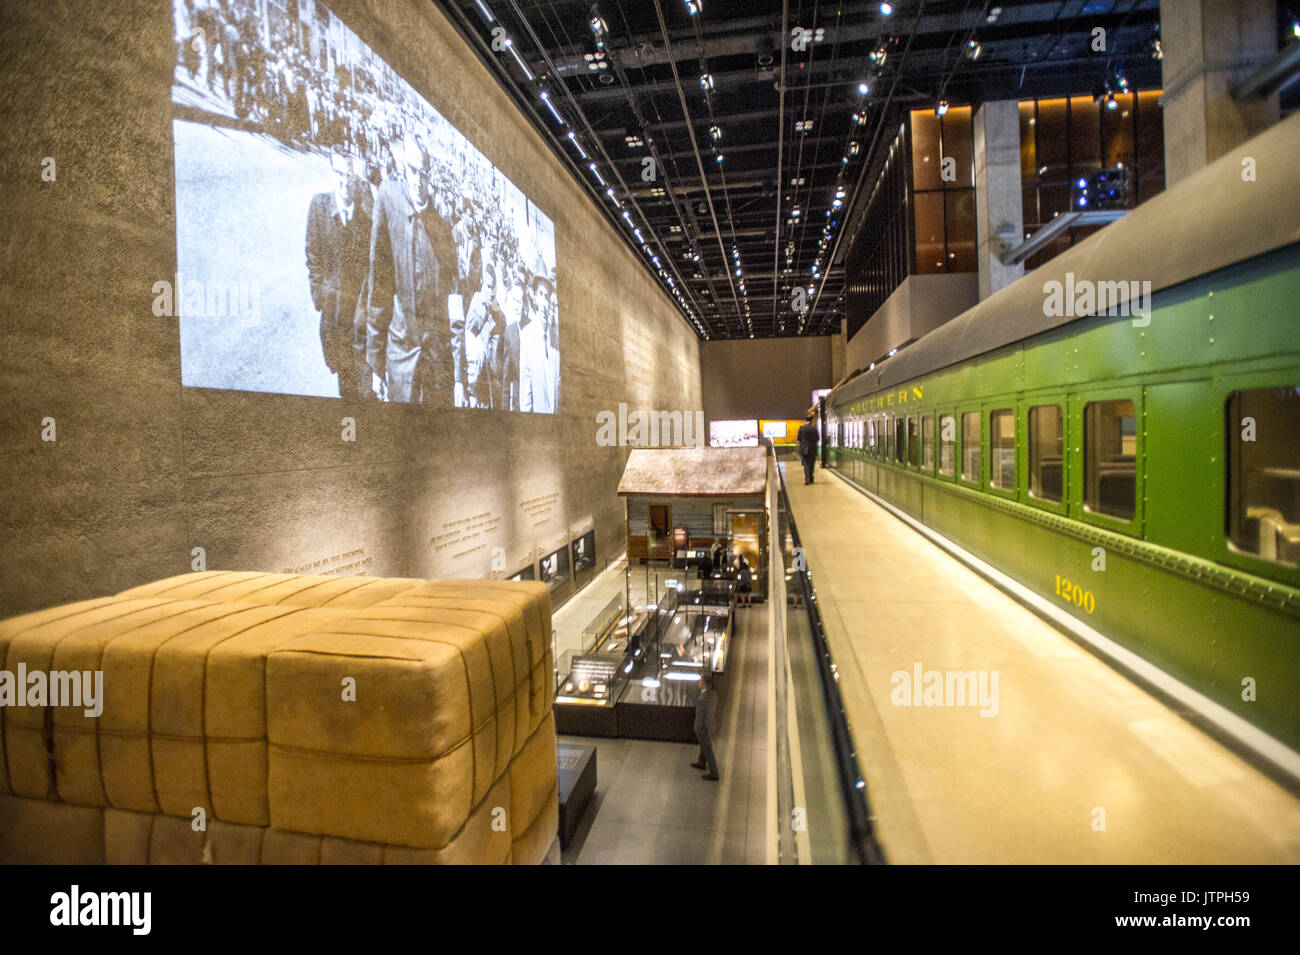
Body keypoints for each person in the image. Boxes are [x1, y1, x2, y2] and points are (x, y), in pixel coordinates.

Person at [367, 133, 460, 404]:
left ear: (432, 176)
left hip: (436, 362)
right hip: (401, 355)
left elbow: (454, 303)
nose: (418, 180)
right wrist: (375, 361)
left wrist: (458, 379)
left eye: (424, 173)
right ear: (404, 168)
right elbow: (379, 282)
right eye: (412, 171)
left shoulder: (442, 227)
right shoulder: (389, 199)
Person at [306, 150, 374, 399]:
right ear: (332, 173)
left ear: (358, 180)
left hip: (360, 318)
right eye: (340, 174)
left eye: (351, 175)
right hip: (334, 315)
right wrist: (321, 297)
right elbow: (312, 255)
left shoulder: (366, 221)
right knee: (345, 382)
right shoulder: (319, 206)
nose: (345, 181)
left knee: (363, 382)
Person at [690, 674, 720, 781]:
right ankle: (701, 761)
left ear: (703, 685)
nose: (698, 683)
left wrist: (697, 729)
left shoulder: (701, 700)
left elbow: (699, 717)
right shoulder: (713, 694)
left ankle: (714, 773)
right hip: (711, 724)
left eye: (700, 681)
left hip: (704, 728)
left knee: (708, 749)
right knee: (704, 745)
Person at [797, 411, 820, 485]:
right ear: (812, 420)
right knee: (812, 464)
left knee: (806, 464)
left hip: (804, 449)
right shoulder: (814, 428)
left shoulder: (802, 428)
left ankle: (807, 478)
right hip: (812, 448)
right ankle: (811, 477)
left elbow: (799, 438)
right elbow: (817, 438)